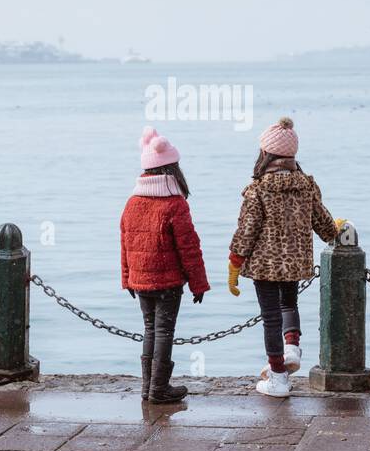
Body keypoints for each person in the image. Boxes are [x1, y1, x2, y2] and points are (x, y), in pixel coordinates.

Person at [228, 117, 342, 397]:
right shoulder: (306, 185)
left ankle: (278, 377)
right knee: (289, 304)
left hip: (265, 265)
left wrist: (234, 262)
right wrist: (339, 227)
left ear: (265, 154)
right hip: (295, 263)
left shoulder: (258, 189)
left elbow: (247, 230)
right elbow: (324, 225)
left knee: (270, 318)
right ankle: (292, 348)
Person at [120, 126, 210, 403]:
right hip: (169, 282)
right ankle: (158, 389)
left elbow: (124, 244)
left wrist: (127, 279)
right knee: (164, 331)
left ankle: (150, 388)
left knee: (150, 329)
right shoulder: (175, 204)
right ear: (173, 170)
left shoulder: (132, 202)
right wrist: (198, 284)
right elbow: (189, 248)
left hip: (141, 280)